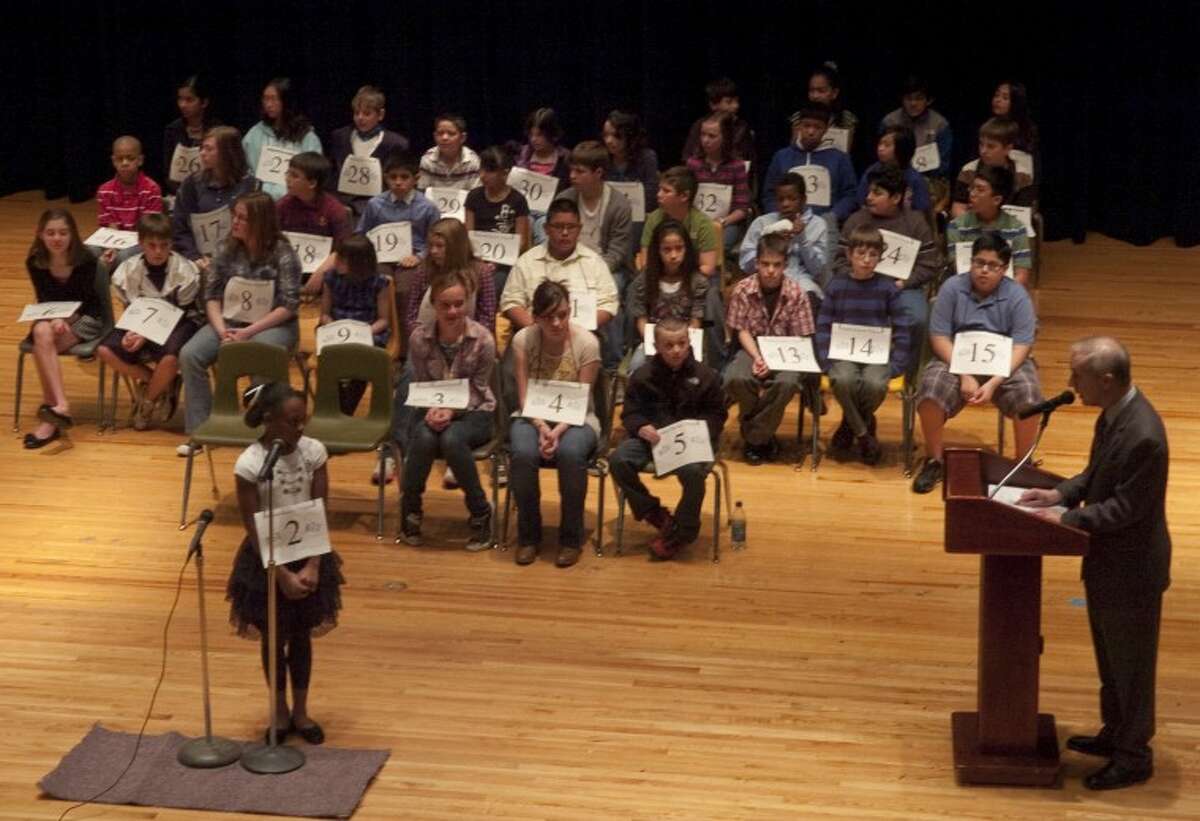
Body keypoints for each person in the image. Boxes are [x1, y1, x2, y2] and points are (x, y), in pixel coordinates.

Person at [1018, 337, 1169, 791]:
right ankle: (1115, 733)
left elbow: (1124, 509)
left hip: (1133, 569)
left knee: (1132, 667)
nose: (1070, 385)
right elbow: (1098, 473)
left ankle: (1134, 755)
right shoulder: (1116, 414)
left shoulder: (1143, 434)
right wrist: (1061, 492)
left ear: (1106, 380)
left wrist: (1067, 517)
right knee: (1111, 661)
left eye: (1076, 376)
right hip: (1109, 563)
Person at [226, 381, 343, 746]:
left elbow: (319, 510)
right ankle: (278, 710)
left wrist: (311, 567)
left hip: (308, 551)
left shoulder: (314, 453)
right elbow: (252, 522)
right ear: (270, 420)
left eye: (303, 420)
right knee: (274, 638)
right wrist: (280, 574)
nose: (300, 428)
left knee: (302, 636)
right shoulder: (250, 464)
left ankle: (302, 711)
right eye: (293, 421)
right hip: (267, 559)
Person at [910, 234, 1042, 493]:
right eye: (978, 262)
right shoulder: (951, 288)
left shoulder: (1017, 295)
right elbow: (938, 337)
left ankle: (1022, 465)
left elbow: (1022, 346)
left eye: (992, 266)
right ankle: (934, 459)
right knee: (930, 390)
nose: (983, 270)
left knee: (1031, 396)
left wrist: (994, 382)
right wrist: (963, 373)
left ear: (1004, 270)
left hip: (1005, 363)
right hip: (957, 358)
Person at [178, 192, 301, 451]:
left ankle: (261, 430)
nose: (234, 222)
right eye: (234, 216)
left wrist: (248, 334)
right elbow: (211, 295)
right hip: (229, 323)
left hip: (273, 325)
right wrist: (223, 332)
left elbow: (289, 305)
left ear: (260, 222)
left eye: (242, 218)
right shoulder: (225, 248)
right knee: (190, 354)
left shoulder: (283, 252)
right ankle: (202, 432)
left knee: (259, 353)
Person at [609, 319, 727, 559]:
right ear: (656, 346)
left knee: (693, 472)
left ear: (689, 343)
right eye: (669, 345)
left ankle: (682, 532)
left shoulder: (707, 376)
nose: (676, 350)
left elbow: (718, 415)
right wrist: (641, 427)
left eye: (681, 343)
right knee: (618, 460)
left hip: (693, 444)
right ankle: (654, 513)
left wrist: (701, 431)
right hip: (653, 442)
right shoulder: (641, 376)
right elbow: (630, 413)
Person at [397, 270, 497, 550]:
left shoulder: (484, 339)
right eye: (445, 305)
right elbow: (420, 383)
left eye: (459, 304)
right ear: (434, 305)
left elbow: (479, 389)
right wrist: (433, 408)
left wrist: (450, 412)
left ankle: (480, 512)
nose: (453, 311)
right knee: (425, 438)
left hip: (475, 411)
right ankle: (411, 510)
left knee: (453, 439)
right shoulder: (419, 338)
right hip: (431, 408)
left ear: (467, 303)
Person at [509, 280, 601, 568]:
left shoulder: (587, 343)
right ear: (536, 317)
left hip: (577, 419)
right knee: (523, 453)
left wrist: (556, 431)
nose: (558, 322)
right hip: (533, 416)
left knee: (571, 453)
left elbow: (582, 401)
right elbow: (523, 399)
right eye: (549, 316)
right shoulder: (523, 339)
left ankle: (570, 539)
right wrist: (541, 428)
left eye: (562, 313)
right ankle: (528, 537)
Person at [96, 213, 202, 430]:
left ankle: (148, 401)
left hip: (180, 322)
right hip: (139, 322)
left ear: (171, 244)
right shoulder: (127, 270)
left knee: (171, 358)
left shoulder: (185, 270)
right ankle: (165, 382)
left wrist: (145, 334)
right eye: (151, 245)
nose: (158, 252)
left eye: (164, 245)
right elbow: (131, 308)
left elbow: (181, 310)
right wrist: (134, 331)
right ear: (140, 243)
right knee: (105, 350)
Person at [835, 165, 940, 380]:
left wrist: (905, 282)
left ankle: (908, 379)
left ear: (896, 197)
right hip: (859, 286)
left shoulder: (916, 222)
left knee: (918, 319)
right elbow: (839, 262)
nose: (869, 197)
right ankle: (849, 374)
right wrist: (858, 277)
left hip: (902, 288)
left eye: (877, 193)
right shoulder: (856, 220)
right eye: (869, 191)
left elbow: (929, 264)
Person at [816, 225, 909, 464]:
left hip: (876, 356)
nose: (867, 260)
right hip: (842, 354)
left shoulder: (888, 288)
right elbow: (824, 325)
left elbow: (902, 327)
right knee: (844, 379)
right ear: (849, 255)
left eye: (873, 255)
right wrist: (826, 359)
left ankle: (850, 424)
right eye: (861, 254)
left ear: (880, 257)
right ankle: (865, 433)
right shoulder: (836, 286)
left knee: (875, 383)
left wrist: (897, 363)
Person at [724, 233, 816, 465]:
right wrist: (757, 357)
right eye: (765, 264)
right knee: (735, 378)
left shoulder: (797, 293)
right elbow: (741, 330)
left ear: (785, 265)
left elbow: (801, 338)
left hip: (787, 353)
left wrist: (774, 360)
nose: (771, 270)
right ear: (756, 263)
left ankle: (755, 438)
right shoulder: (742, 289)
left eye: (777, 265)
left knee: (788, 382)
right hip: (752, 347)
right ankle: (764, 436)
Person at [22, 209, 106, 448]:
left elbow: (87, 300)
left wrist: (66, 320)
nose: (57, 238)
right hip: (52, 316)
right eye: (50, 233)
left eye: (62, 232)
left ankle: (53, 416)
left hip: (87, 317)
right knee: (41, 333)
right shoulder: (35, 261)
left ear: (72, 235)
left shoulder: (86, 259)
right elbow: (44, 298)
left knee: (42, 346)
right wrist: (53, 319)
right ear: (41, 235)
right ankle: (61, 406)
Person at [555, 139, 635, 367]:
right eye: (571, 169)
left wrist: (591, 272)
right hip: (568, 263)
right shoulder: (565, 199)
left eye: (579, 171)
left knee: (611, 293)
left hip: (608, 267)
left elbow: (618, 251)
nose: (572, 176)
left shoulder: (619, 204)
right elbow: (555, 239)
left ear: (598, 172)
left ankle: (611, 362)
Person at [500, 199, 618, 335]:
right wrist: (540, 330)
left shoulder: (594, 262)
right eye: (558, 226)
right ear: (546, 229)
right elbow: (511, 303)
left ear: (579, 229)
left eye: (571, 227)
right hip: (535, 336)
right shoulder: (526, 261)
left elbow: (608, 304)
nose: (565, 232)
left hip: (583, 338)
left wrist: (576, 333)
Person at [353, 151, 440, 315]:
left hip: (413, 259)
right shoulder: (375, 204)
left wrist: (419, 257)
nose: (398, 182)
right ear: (386, 178)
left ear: (416, 178)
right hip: (380, 258)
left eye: (404, 177)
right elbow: (361, 234)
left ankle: (406, 337)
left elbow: (435, 242)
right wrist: (370, 254)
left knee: (405, 290)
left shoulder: (428, 207)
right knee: (379, 284)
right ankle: (379, 333)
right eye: (393, 177)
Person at [318, 234, 389, 415]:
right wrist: (334, 328)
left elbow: (383, 320)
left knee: (362, 359)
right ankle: (334, 405)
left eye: (342, 259)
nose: (337, 262)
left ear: (359, 263)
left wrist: (364, 332)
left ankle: (346, 410)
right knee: (332, 356)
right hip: (336, 327)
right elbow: (324, 315)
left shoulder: (379, 283)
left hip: (367, 329)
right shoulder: (330, 278)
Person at [171, 126, 259, 269]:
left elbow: (256, 230)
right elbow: (180, 227)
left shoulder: (250, 186)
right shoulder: (192, 184)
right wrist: (195, 257)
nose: (202, 153)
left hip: (238, 259)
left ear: (227, 152)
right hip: (197, 258)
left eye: (209, 149)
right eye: (202, 148)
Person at [626, 220, 708, 373]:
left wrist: (679, 345)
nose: (674, 255)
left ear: (687, 249)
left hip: (685, 341)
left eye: (679, 248)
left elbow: (696, 320)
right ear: (657, 251)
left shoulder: (698, 281)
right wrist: (658, 344)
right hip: (654, 341)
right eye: (667, 249)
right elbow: (641, 318)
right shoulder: (643, 281)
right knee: (636, 367)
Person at [740, 172, 832, 303]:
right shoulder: (762, 223)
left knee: (811, 298)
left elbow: (818, 271)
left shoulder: (817, 225)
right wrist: (768, 240)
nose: (785, 204)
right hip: (765, 283)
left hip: (802, 284)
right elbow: (745, 265)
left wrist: (802, 238)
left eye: (792, 199)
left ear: (804, 199)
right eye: (780, 199)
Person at [762, 101, 857, 222]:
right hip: (785, 221)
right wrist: (777, 215)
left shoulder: (840, 159)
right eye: (806, 126)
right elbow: (769, 194)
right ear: (798, 126)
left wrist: (834, 215)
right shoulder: (782, 157)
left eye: (817, 127)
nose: (811, 132)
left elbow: (850, 195)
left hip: (826, 222)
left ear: (826, 129)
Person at [328, 85, 409, 216]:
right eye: (356, 113)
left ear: (381, 115)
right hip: (340, 202)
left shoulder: (396, 143)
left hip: (377, 206)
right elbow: (332, 175)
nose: (360, 118)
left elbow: (394, 183)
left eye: (367, 113)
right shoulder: (340, 136)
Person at [946, 164, 1032, 286]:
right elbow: (958, 268)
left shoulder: (1017, 229)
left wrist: (1004, 297)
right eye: (972, 188)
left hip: (1004, 293)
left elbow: (1021, 274)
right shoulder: (957, 226)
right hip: (968, 289)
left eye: (980, 190)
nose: (972, 194)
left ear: (996, 200)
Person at [464, 145, 531, 298]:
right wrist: (478, 261)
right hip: (476, 259)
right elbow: (468, 235)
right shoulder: (473, 196)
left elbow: (521, 242)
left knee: (493, 285)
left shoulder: (517, 200)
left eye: (490, 171)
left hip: (504, 263)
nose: (483, 175)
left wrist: (497, 263)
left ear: (505, 173)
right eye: (481, 169)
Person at [242, 78, 322, 200]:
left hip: (295, 200)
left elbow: (314, 171)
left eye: (274, 99)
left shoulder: (306, 136)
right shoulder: (255, 133)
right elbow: (245, 169)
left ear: (286, 101)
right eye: (265, 98)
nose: (268, 104)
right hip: (260, 200)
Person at [880, 75, 953, 207]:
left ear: (929, 100)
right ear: (902, 99)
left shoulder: (940, 124)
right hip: (894, 176)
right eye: (909, 99)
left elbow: (943, 164)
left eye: (919, 98)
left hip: (931, 179)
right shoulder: (889, 121)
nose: (913, 103)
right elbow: (882, 155)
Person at [686, 112, 752, 253]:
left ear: (725, 138)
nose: (705, 140)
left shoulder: (737, 166)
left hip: (726, 223)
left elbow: (742, 208)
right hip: (695, 220)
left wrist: (721, 222)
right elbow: (685, 199)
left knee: (717, 244)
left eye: (712, 136)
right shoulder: (693, 164)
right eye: (703, 135)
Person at [639, 166, 720, 278]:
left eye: (666, 191)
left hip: (694, 278)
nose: (658, 195)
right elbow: (646, 262)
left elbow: (708, 267)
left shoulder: (702, 223)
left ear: (684, 196)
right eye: (660, 189)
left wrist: (677, 279)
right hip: (660, 277)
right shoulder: (653, 219)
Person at [950, 117, 1037, 218]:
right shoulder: (968, 171)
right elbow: (958, 207)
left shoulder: (1023, 175)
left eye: (990, 146)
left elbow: (1024, 212)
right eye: (981, 144)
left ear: (1007, 148)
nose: (983, 151)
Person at [275, 152, 352, 262]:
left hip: (324, 269)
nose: (287, 179)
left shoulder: (334, 210)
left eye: (294, 176)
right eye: (288, 173)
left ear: (312, 183)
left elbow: (341, 251)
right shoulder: (282, 206)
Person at [681, 78, 756, 171]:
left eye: (737, 101)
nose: (736, 106)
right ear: (713, 105)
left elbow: (747, 160)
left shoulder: (742, 127)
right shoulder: (700, 125)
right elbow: (687, 156)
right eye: (729, 102)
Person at [163, 74, 221, 195]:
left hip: (212, 193)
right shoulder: (173, 130)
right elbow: (168, 171)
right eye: (180, 99)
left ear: (204, 102)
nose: (183, 105)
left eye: (189, 100)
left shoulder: (218, 130)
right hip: (179, 194)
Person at [854, 125, 932, 214]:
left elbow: (921, 211)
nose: (880, 148)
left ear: (902, 149)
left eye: (887, 145)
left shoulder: (915, 179)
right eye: (880, 143)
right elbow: (860, 201)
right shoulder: (872, 171)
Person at [602, 109, 660, 230]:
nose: (609, 141)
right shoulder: (602, 158)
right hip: (608, 219)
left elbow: (651, 196)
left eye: (616, 135)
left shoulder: (646, 157)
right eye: (606, 135)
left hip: (639, 220)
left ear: (630, 136)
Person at [96, 136, 163, 232]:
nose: (125, 163)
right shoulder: (104, 191)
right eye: (120, 159)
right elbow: (108, 225)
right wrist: (114, 245)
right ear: (113, 161)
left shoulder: (152, 189)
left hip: (142, 239)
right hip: (115, 240)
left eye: (130, 158)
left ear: (140, 160)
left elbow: (150, 227)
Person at [417, 113, 480, 190]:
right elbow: (423, 191)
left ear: (463, 138)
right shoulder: (428, 159)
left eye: (451, 133)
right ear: (435, 136)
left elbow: (475, 194)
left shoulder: (472, 160)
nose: (444, 138)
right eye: (440, 133)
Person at [515, 107, 571, 193]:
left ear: (553, 135)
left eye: (539, 135)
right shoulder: (522, 154)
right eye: (531, 134)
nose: (533, 139)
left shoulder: (565, 158)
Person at [807, 62, 858, 151]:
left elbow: (845, 153)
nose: (815, 96)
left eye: (821, 91)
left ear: (834, 93)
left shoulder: (846, 119)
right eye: (811, 90)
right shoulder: (799, 117)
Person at [991, 80, 1039, 156]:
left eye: (1005, 98)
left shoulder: (1025, 130)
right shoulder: (989, 126)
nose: (997, 100)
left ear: (1016, 102)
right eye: (996, 95)